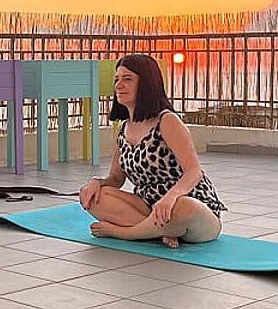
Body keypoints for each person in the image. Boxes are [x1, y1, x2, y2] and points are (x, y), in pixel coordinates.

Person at [79, 54, 225, 248]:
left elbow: (194, 172)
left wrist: (171, 197)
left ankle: (126, 233)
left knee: (183, 207)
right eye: (117, 80)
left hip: (188, 205)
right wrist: (95, 183)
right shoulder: (124, 128)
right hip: (148, 207)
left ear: (147, 84)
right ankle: (158, 231)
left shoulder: (166, 120)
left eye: (127, 79)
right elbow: (115, 179)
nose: (119, 85)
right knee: (95, 197)